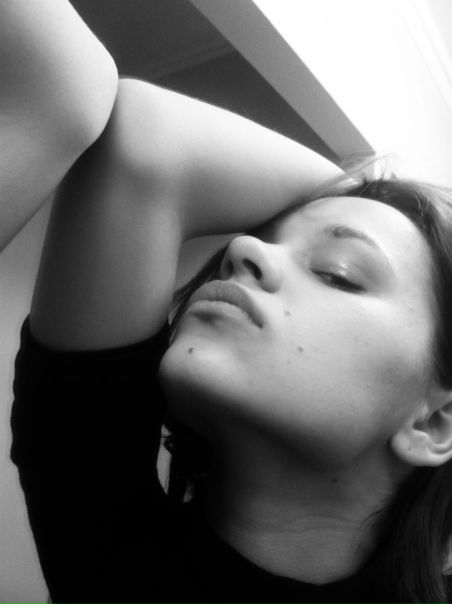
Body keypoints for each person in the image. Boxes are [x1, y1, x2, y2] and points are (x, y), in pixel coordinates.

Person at [8, 16, 452, 604]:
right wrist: (367, 196)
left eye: (337, 273)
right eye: (259, 239)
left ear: (434, 423)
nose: (244, 249)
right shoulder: (107, 522)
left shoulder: (109, 567)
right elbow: (143, 136)